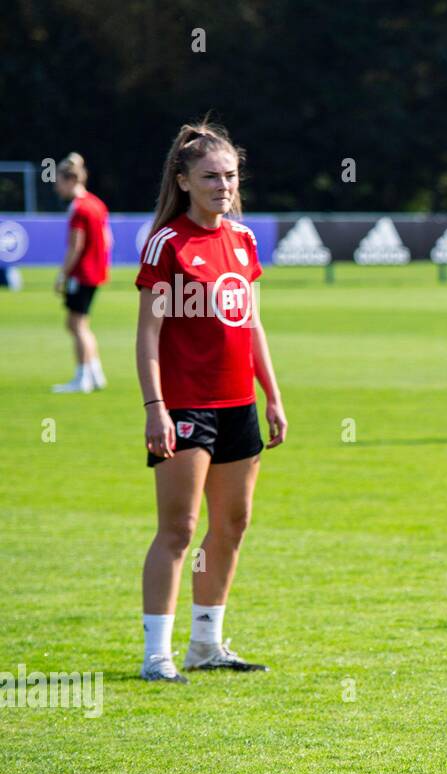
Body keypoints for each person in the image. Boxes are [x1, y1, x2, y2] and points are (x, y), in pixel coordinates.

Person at [134, 121, 286, 683]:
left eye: (230, 175)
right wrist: (155, 407)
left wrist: (272, 396)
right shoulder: (167, 243)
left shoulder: (243, 240)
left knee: (233, 525)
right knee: (178, 529)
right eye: (210, 177)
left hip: (238, 406)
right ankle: (157, 655)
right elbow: (148, 335)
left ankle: (206, 644)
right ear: (184, 181)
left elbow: (252, 325)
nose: (223, 186)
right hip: (184, 408)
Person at [52, 153, 111, 393]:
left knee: (76, 324)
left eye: (58, 182)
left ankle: (82, 377)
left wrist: (62, 275)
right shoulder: (97, 203)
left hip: (82, 274)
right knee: (80, 324)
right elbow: (107, 240)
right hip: (95, 272)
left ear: (69, 180)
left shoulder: (79, 208)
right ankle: (95, 374)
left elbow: (75, 246)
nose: (57, 188)